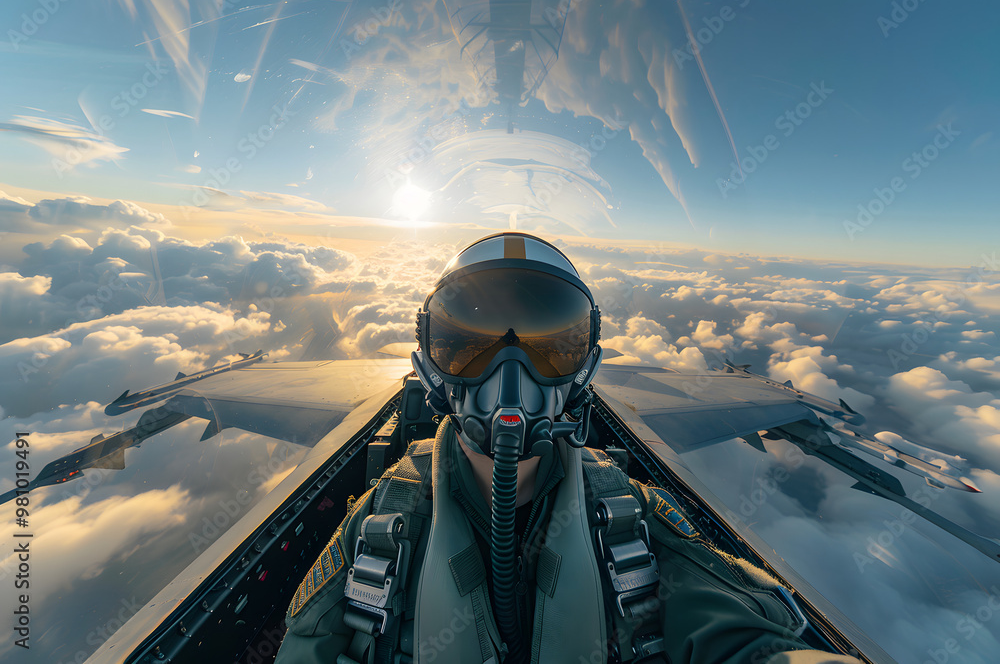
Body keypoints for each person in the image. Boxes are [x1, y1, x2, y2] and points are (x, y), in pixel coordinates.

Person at [275, 233, 862, 664]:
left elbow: (744, 640)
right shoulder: (382, 525)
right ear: (432, 363)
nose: (511, 377)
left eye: (547, 349)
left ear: (584, 369)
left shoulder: (629, 519)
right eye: (471, 347)